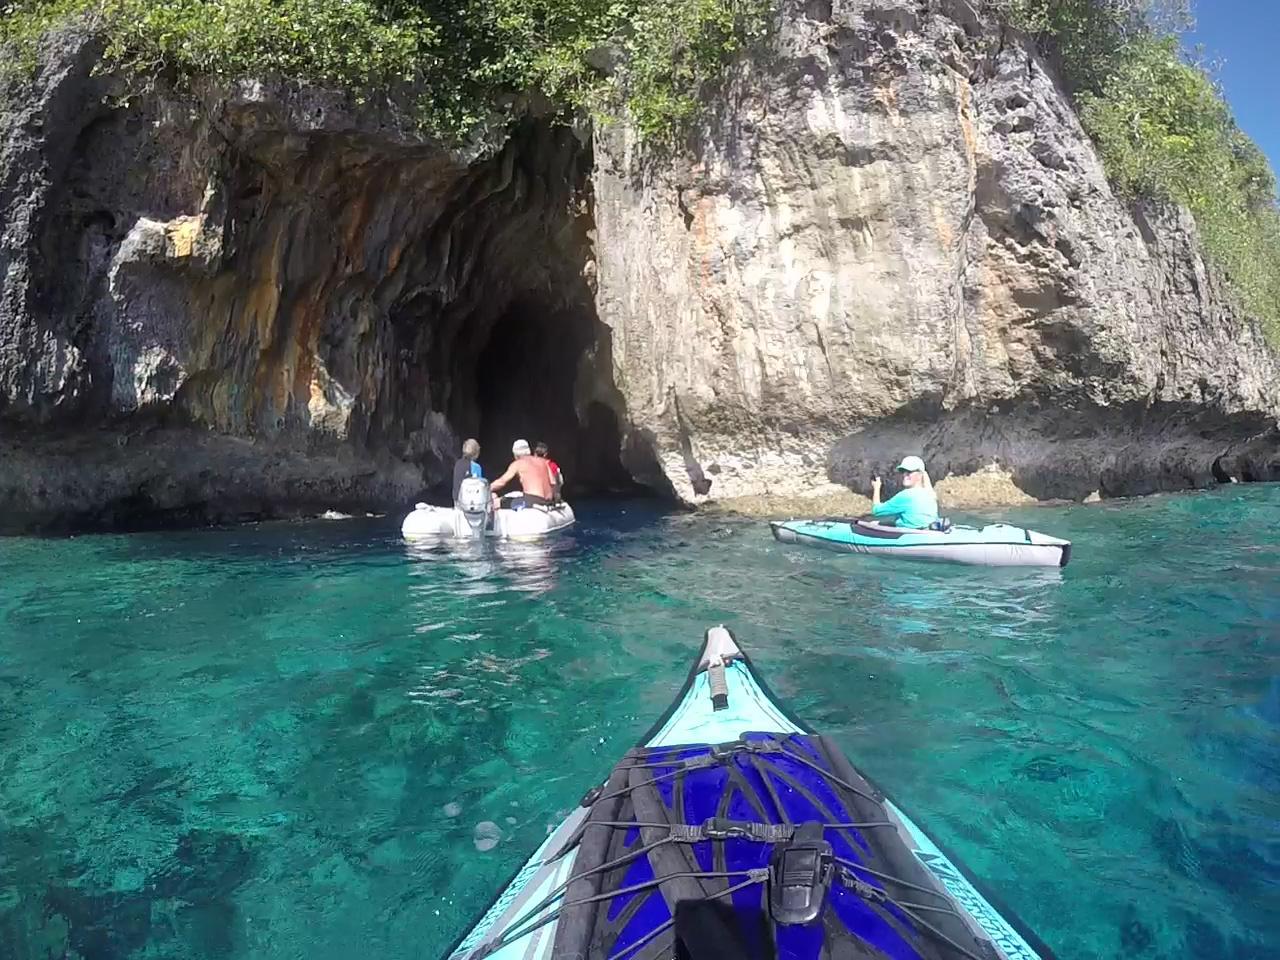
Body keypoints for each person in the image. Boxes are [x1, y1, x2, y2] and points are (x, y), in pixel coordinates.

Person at [870, 455, 938, 529]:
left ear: (920, 475)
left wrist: (876, 488)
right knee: (876, 523)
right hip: (925, 532)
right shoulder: (930, 494)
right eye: (903, 471)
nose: (905, 475)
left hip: (910, 534)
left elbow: (876, 511)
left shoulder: (906, 496)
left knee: (873, 524)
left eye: (909, 472)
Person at [490, 439, 554, 509]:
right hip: (548, 501)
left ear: (516, 455)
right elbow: (553, 482)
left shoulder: (518, 463)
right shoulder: (544, 462)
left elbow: (501, 482)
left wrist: (487, 489)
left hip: (532, 500)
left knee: (498, 502)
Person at [452, 438, 483, 505]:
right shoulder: (476, 467)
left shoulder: (457, 464)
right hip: (469, 503)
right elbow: (479, 488)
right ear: (476, 452)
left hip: (457, 499)